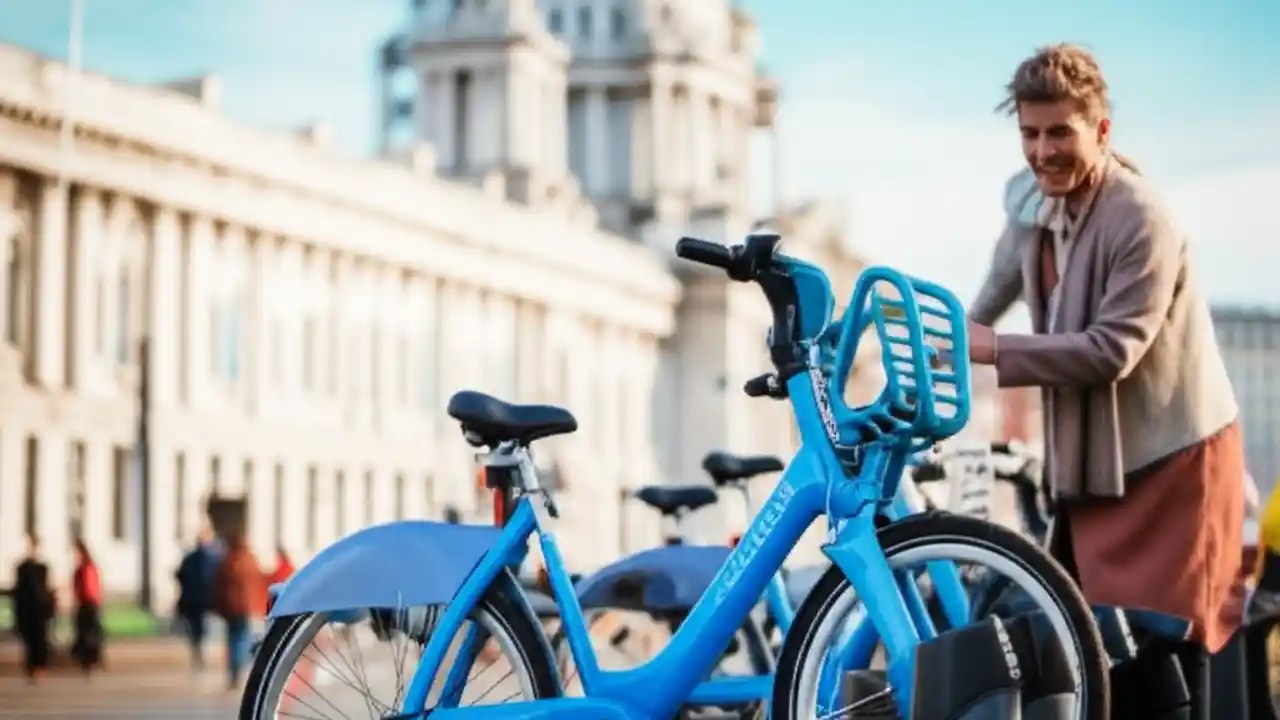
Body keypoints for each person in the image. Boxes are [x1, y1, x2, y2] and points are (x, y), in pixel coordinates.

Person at [967, 43, 1243, 718]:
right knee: (1098, 662)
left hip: (1172, 467)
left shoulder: (1143, 216)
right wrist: (926, 339)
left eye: (1060, 131)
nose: (1042, 151)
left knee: (1169, 666)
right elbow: (979, 309)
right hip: (1092, 475)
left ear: (1102, 130)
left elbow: (1110, 351)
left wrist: (993, 349)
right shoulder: (1033, 210)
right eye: (1029, 134)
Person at [214, 532, 263, 690]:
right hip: (246, 608)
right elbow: (258, 582)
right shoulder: (251, 559)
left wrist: (220, 606)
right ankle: (240, 672)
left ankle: (234, 673)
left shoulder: (227, 561)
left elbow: (219, 585)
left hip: (231, 608)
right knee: (243, 640)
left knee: (233, 640)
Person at [174, 526, 220, 671]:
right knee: (205, 631)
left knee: (195, 632)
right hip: (206, 601)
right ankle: (202, 659)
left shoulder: (190, 558)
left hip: (192, 601)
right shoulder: (213, 559)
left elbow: (179, 575)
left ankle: (197, 658)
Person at [11, 534, 55, 683]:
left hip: (39, 609)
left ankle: (39, 666)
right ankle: (31, 667)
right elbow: (19, 590)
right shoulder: (23, 567)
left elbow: (45, 588)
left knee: (39, 639)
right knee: (29, 640)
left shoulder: (42, 567)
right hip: (28, 609)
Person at [69, 538, 104, 674]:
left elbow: (89, 587)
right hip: (88, 603)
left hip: (88, 603)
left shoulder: (86, 568)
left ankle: (88, 660)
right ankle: (87, 660)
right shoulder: (86, 567)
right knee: (86, 633)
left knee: (87, 633)